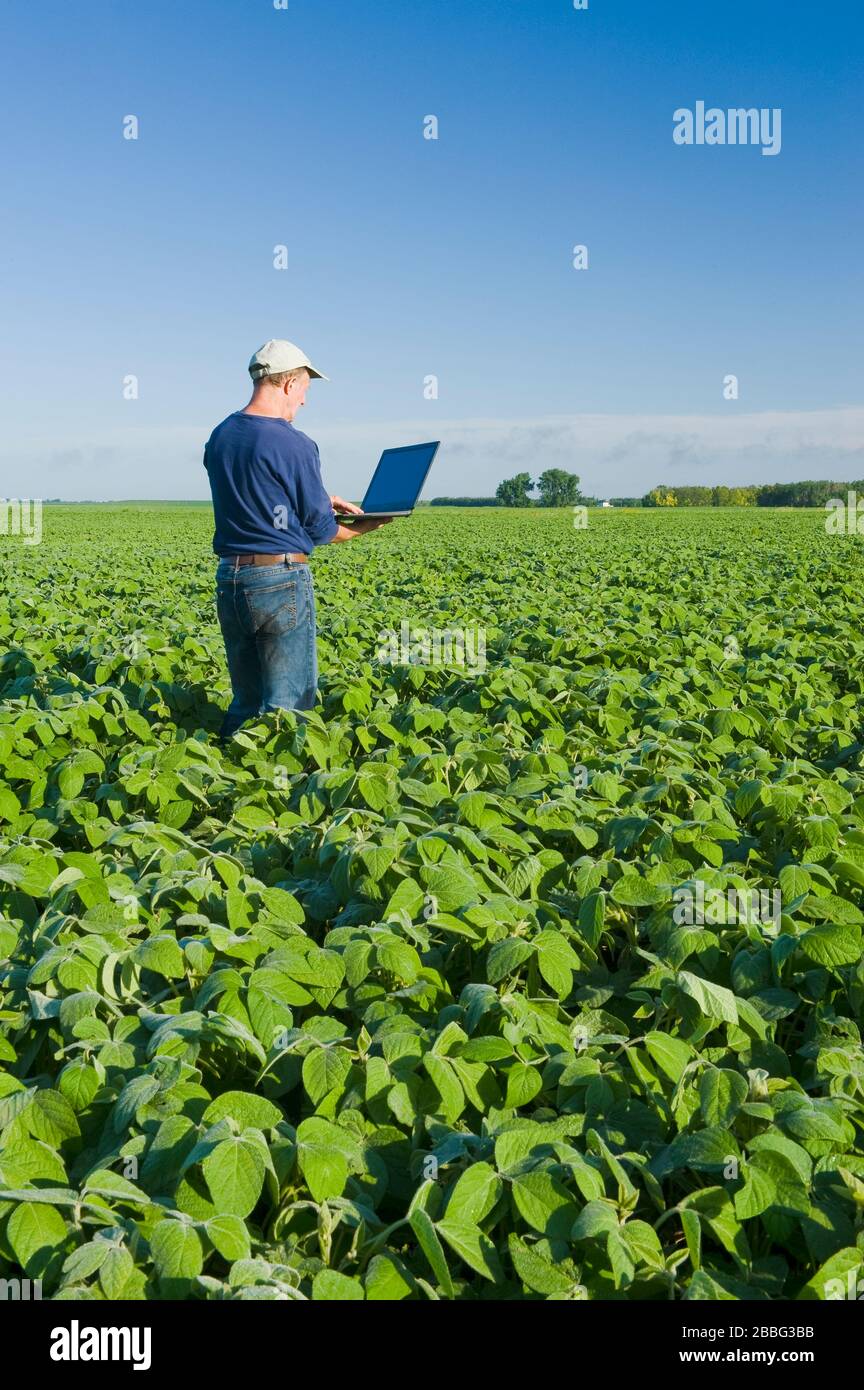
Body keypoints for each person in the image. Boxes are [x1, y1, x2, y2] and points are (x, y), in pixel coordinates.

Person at [203, 338, 389, 739]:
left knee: (246, 701)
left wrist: (321, 498)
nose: (304, 402)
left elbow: (255, 489)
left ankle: (227, 777)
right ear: (288, 385)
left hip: (231, 578)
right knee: (289, 707)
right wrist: (369, 525)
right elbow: (322, 530)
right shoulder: (294, 443)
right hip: (279, 580)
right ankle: (280, 786)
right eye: (305, 390)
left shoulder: (221, 436)